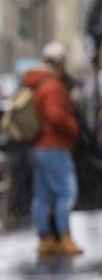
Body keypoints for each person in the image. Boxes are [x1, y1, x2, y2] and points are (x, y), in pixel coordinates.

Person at [25, 41, 83, 256]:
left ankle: (44, 239)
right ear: (60, 63)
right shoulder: (52, 86)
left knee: (42, 194)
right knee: (66, 193)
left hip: (37, 146)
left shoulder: (36, 83)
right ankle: (64, 237)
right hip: (54, 146)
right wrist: (74, 129)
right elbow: (56, 116)